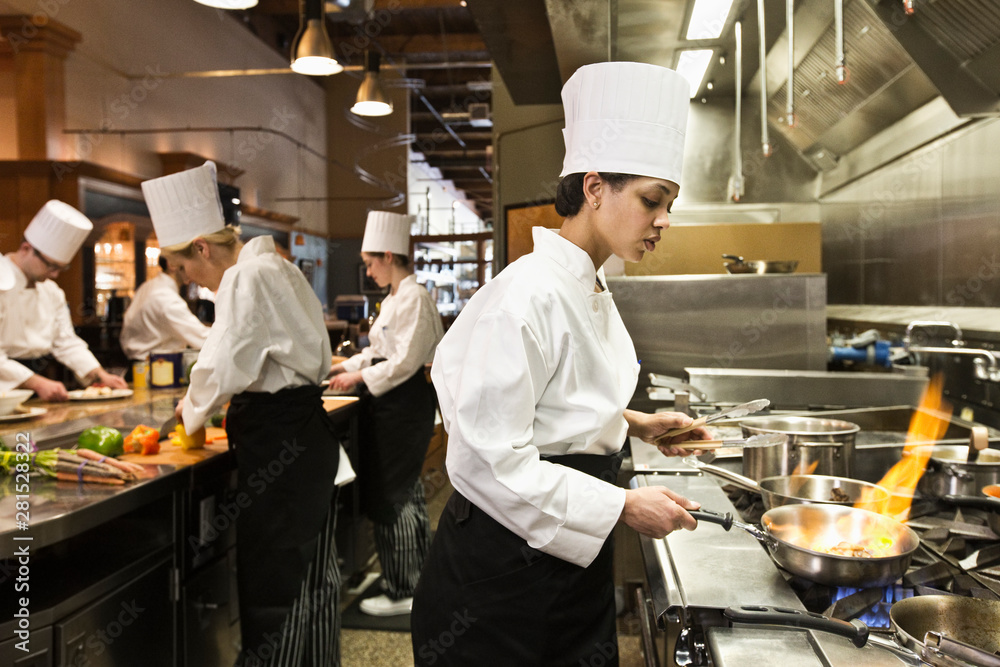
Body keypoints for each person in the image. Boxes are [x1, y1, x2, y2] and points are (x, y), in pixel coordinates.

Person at [411, 61, 712, 666]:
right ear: (595, 188)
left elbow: (552, 400)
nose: (664, 220)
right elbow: (488, 460)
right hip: (501, 581)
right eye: (652, 200)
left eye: (669, 204)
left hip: (562, 568)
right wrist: (622, 505)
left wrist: (634, 423)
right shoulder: (524, 296)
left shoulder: (588, 285)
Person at [142, 161, 343, 667]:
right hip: (305, 439)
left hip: (281, 446)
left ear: (202, 248)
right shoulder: (277, 267)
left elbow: (221, 362)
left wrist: (186, 414)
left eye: (184, 269)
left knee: (277, 582)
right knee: (311, 578)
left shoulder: (245, 277)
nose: (191, 282)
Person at [328, 210, 444, 617]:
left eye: (369, 263)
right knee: (398, 491)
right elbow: (378, 352)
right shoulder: (394, 298)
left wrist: (358, 378)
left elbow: (405, 362)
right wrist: (341, 368)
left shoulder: (415, 298)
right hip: (389, 406)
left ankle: (405, 589)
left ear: (389, 256)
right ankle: (412, 579)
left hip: (404, 405)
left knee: (397, 494)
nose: (368, 271)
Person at [0, 200, 129, 400]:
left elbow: (66, 341)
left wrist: (99, 375)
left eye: (61, 268)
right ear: (26, 248)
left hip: (42, 380)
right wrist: (36, 382)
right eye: (51, 266)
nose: (55, 274)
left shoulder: (51, 291)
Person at [119, 255, 210, 361]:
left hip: (137, 362)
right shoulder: (165, 297)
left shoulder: (148, 286)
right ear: (171, 264)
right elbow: (203, 339)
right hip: (156, 366)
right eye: (192, 260)